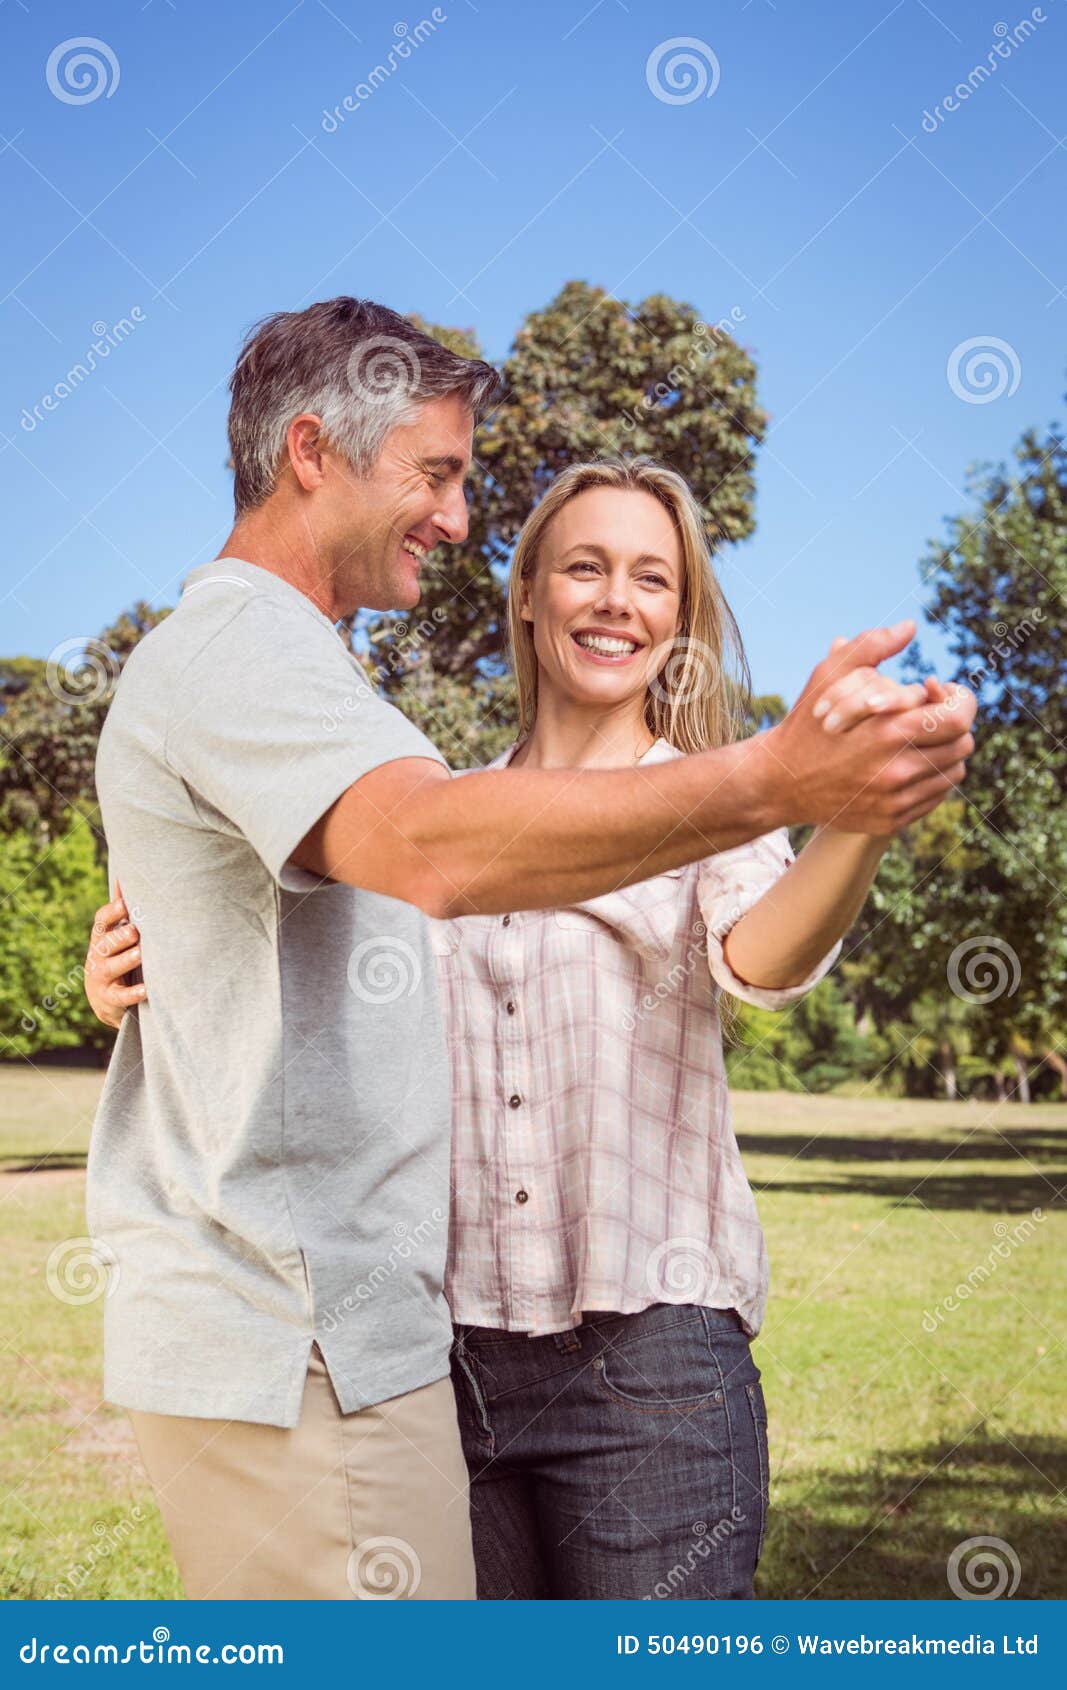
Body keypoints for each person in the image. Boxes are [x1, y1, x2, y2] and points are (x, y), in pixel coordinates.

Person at [84, 296, 976, 1601]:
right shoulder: (437, 790)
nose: (456, 517)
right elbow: (406, 869)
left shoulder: (645, 798)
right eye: (438, 478)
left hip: (643, 1349)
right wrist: (149, 965)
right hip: (443, 1343)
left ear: (683, 614)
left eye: (653, 577)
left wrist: (843, 814)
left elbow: (764, 956)